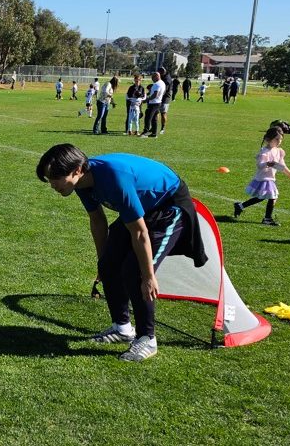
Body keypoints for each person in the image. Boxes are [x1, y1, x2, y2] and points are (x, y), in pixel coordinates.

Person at [37, 145, 206, 362]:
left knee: (134, 271)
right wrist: (102, 263)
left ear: (78, 170)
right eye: (49, 179)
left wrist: (148, 276)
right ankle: (122, 328)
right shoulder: (82, 183)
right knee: (108, 265)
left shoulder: (113, 178)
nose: (53, 185)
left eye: (56, 178)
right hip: (144, 209)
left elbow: (139, 232)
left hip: (168, 206)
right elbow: (97, 220)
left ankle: (147, 338)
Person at [233, 127, 290, 226]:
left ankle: (240, 206)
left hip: (271, 178)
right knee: (273, 197)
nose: (279, 141)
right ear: (269, 139)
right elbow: (259, 165)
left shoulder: (279, 151)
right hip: (263, 178)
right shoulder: (264, 151)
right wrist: (268, 164)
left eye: (281, 139)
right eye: (277, 139)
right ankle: (267, 218)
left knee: (261, 198)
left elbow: (282, 166)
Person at [142, 71, 165, 138]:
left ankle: (145, 132)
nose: (152, 79)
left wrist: (147, 100)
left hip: (153, 103)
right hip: (159, 102)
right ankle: (154, 133)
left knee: (148, 117)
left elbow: (155, 94)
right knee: (154, 119)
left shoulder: (156, 84)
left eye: (153, 77)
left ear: (157, 76)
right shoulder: (162, 83)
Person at [158, 68, 174, 133]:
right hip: (160, 95)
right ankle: (154, 127)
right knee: (156, 112)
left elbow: (165, 90)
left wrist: (157, 95)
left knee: (163, 113)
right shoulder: (162, 76)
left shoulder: (167, 79)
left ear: (162, 73)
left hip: (165, 97)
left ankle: (162, 128)